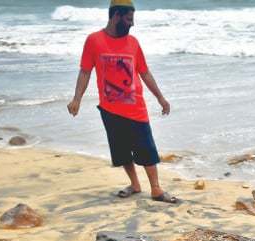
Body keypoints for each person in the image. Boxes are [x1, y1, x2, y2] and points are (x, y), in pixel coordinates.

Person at [67, 0, 178, 203]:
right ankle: (135, 185)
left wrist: (161, 98)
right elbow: (85, 71)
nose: (132, 24)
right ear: (116, 16)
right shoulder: (94, 40)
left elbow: (144, 72)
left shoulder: (133, 43)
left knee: (147, 149)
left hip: (136, 109)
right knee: (121, 151)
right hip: (110, 109)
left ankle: (156, 189)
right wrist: (77, 99)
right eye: (129, 19)